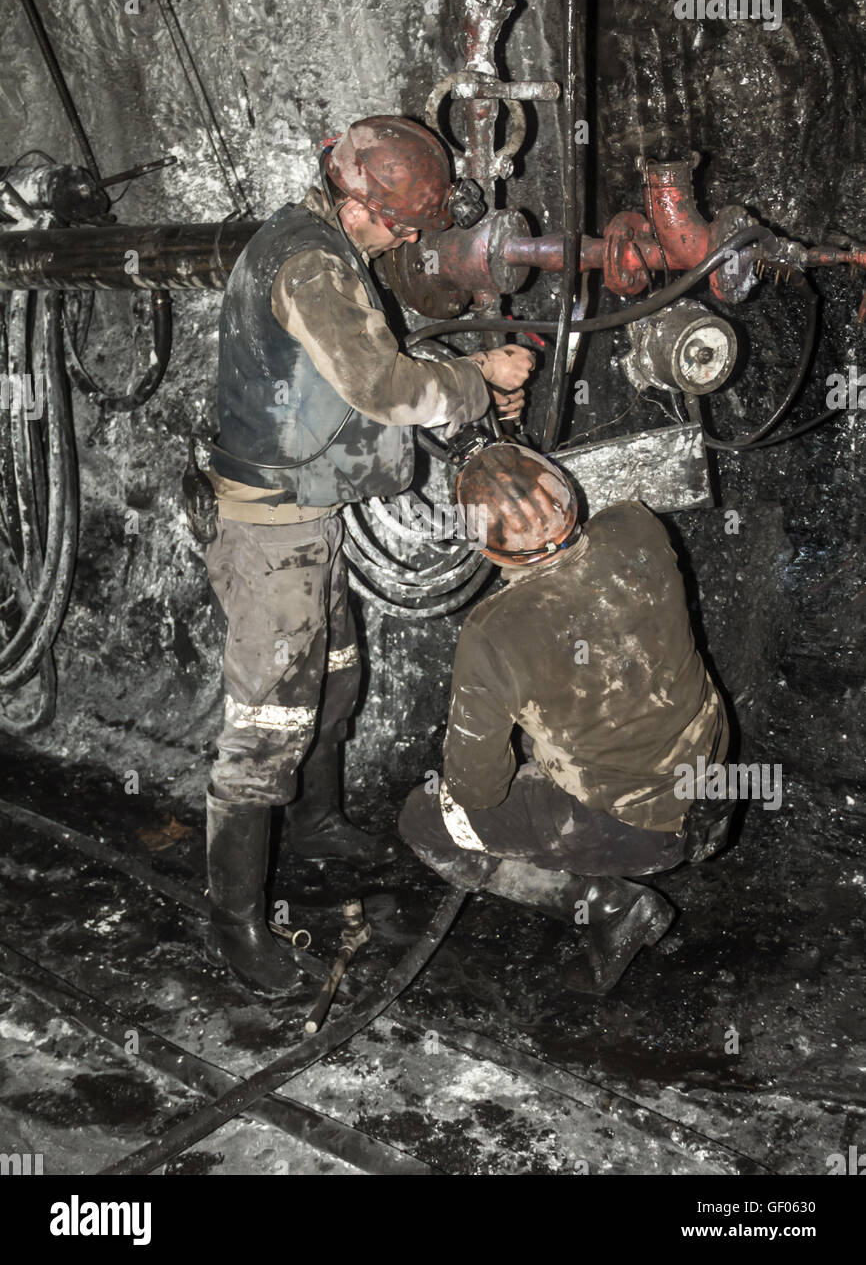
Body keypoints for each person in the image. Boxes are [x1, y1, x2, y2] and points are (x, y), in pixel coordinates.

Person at [204, 116, 535, 993]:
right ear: (359, 204)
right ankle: (233, 923)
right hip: (273, 531)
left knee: (336, 676)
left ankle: (315, 826)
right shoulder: (312, 264)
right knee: (266, 724)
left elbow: (353, 364)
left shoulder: (317, 240)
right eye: (403, 224)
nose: (408, 240)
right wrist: (480, 380)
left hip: (308, 512)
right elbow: (383, 386)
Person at [399, 441, 733, 993]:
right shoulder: (635, 526)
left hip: (639, 831)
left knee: (422, 818)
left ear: (486, 547)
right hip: (713, 780)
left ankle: (604, 903)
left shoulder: (493, 631)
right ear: (566, 492)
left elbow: (478, 789)